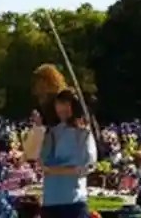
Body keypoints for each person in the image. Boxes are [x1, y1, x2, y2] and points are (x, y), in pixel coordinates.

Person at [40, 89, 96, 218]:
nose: (62, 111)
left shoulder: (83, 134)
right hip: (51, 199)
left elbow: (84, 167)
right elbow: (43, 162)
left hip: (73, 200)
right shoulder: (52, 133)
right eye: (59, 107)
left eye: (66, 106)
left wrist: (55, 170)